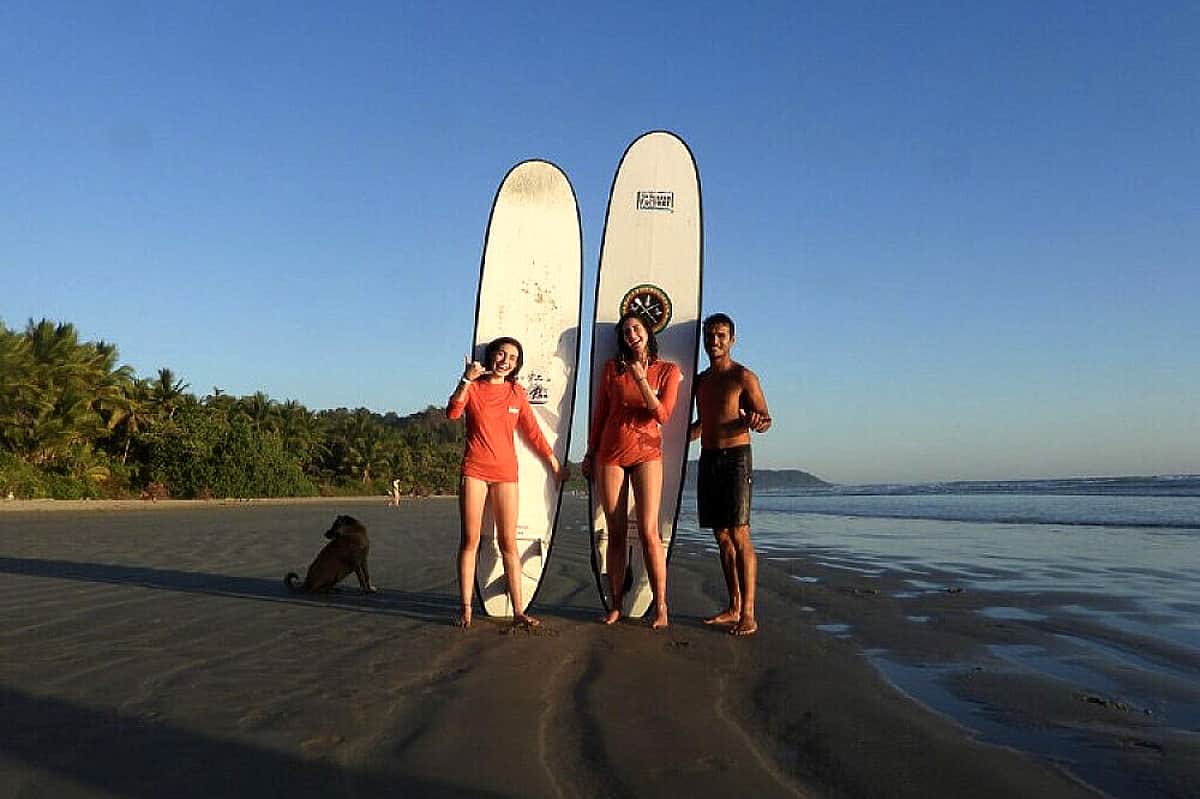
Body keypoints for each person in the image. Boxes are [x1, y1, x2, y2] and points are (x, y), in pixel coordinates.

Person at [447, 336, 567, 628]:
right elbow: (452, 413)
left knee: (508, 542)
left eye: (512, 358)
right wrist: (465, 379)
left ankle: (518, 610)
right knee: (470, 540)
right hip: (474, 470)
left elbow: (532, 431)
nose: (505, 361)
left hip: (505, 474)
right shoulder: (474, 388)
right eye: (501, 354)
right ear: (491, 356)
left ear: (517, 365)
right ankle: (465, 608)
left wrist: (552, 462)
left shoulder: (516, 392)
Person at [582, 312, 682, 629]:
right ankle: (615, 604)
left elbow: (663, 415)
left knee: (649, 532)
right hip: (610, 454)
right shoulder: (612, 368)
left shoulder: (668, 370)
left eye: (636, 329)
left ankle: (661, 606)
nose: (631, 335)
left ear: (648, 333)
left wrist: (641, 378)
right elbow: (600, 413)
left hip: (647, 453)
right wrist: (590, 452)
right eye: (625, 331)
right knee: (616, 533)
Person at [689, 313, 771, 636]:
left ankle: (749, 613)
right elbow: (701, 424)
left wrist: (755, 420)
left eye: (721, 335)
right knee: (721, 537)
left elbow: (765, 419)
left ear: (732, 339)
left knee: (739, 534)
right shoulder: (701, 381)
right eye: (710, 335)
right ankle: (733, 605)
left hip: (737, 459)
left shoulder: (744, 377)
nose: (714, 340)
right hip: (708, 458)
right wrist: (677, 438)